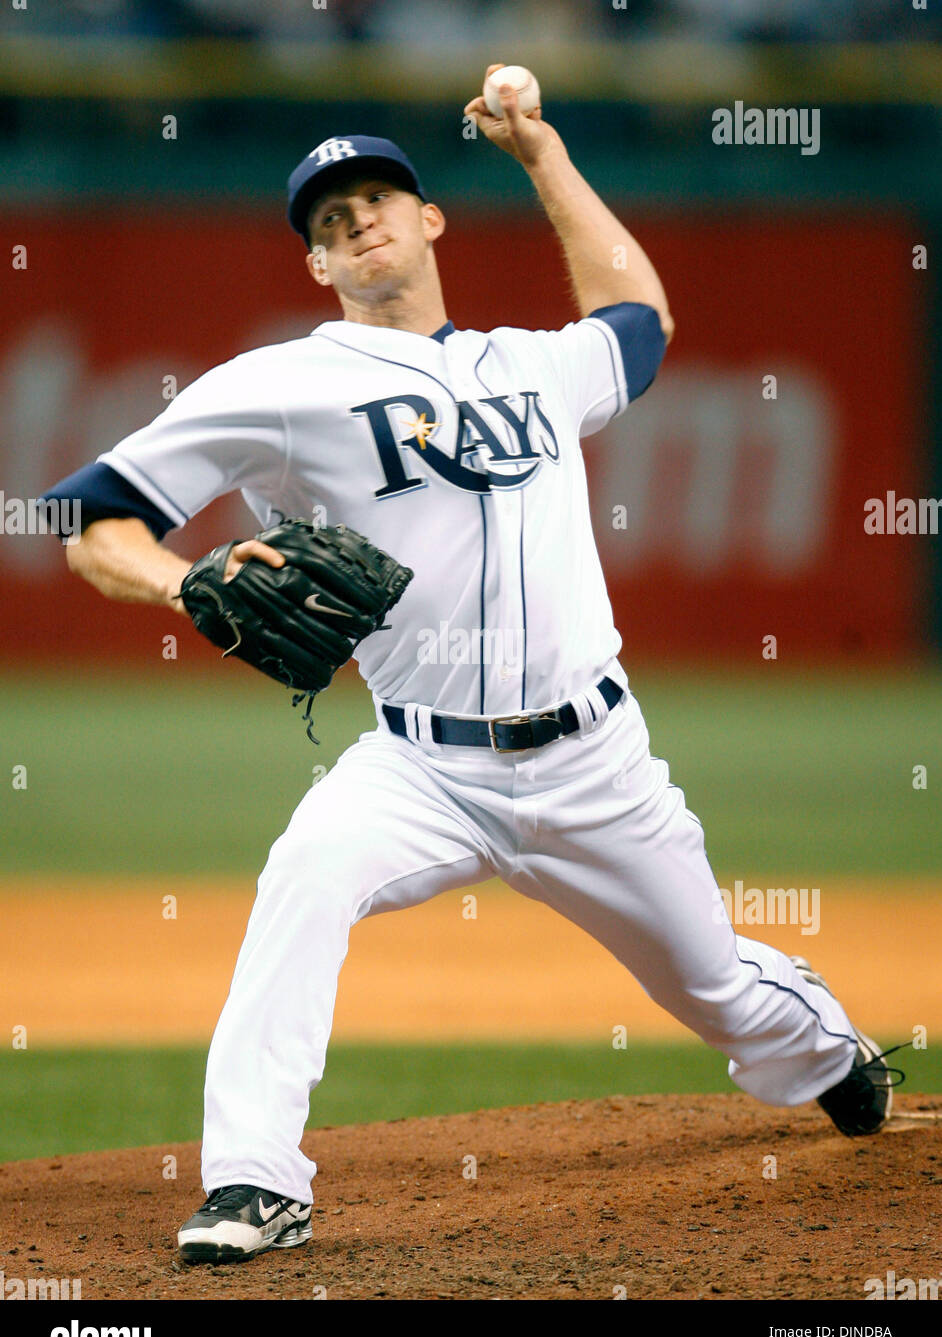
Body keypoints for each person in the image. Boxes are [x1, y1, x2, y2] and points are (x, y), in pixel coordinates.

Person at [40, 67, 898, 1266]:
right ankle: (253, 1180)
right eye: (331, 224)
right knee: (304, 875)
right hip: (420, 766)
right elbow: (87, 515)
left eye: (379, 201)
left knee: (722, 993)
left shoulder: (534, 364)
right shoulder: (281, 385)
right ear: (318, 269)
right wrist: (185, 581)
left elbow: (641, 320)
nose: (359, 224)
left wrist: (541, 154)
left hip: (597, 763)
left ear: (431, 219)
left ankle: (831, 1055)